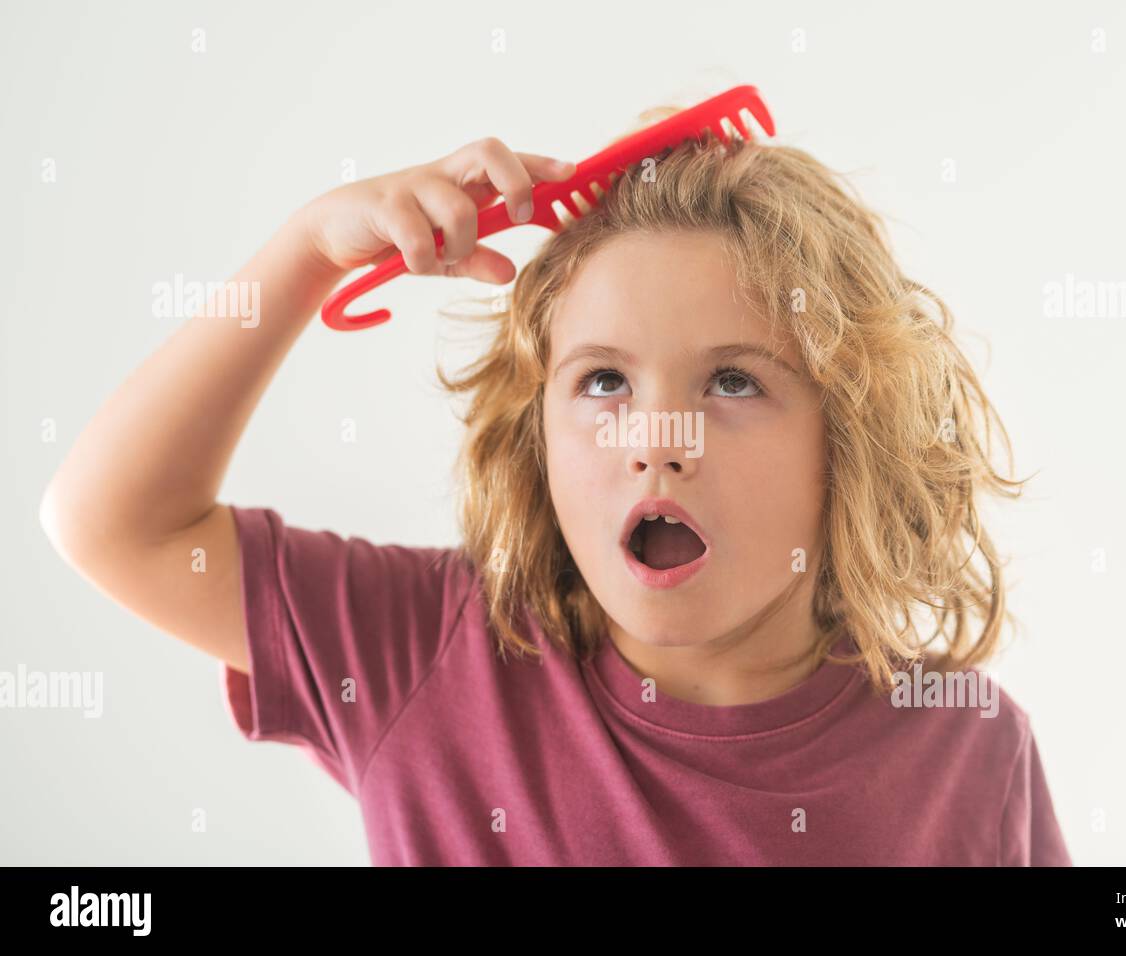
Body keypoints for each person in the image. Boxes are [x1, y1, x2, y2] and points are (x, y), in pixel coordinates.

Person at [40, 105, 1071, 866]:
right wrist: (305, 250)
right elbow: (111, 520)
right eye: (604, 381)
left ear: (848, 439)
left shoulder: (963, 750)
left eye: (732, 380)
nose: (656, 440)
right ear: (536, 439)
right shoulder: (429, 655)